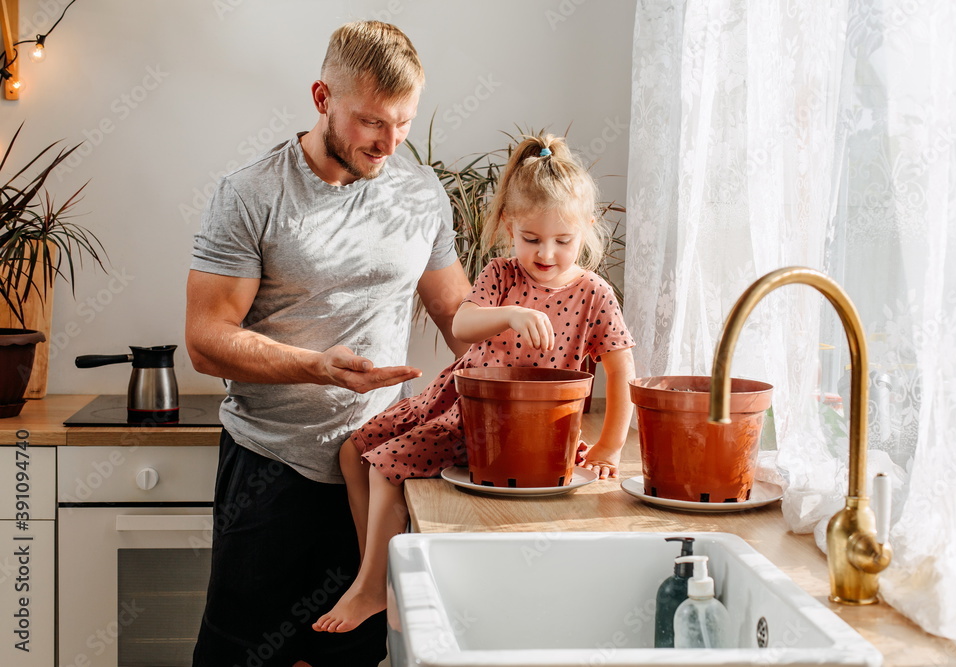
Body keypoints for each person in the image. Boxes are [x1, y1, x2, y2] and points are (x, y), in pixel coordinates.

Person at [185, 21, 471, 667]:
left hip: (370, 479)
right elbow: (205, 341)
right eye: (372, 122)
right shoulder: (252, 192)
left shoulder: (420, 192)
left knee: (354, 656)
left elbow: (456, 311)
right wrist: (316, 366)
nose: (389, 142)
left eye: (403, 122)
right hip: (269, 468)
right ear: (322, 97)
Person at [312, 134, 637, 634]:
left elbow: (621, 372)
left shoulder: (595, 294)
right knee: (354, 451)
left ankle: (374, 584)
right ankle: (374, 575)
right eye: (530, 239)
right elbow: (462, 326)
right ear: (509, 226)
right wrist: (510, 311)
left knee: (384, 466)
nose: (545, 253)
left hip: (508, 425)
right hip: (460, 394)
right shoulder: (502, 275)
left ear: (587, 230)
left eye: (562, 241)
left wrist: (611, 446)